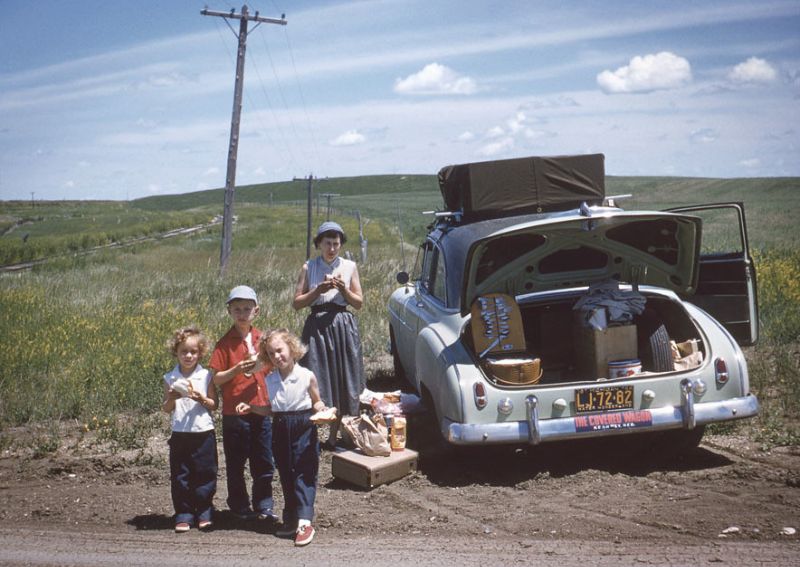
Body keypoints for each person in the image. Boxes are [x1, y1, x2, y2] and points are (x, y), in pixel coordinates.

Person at [236, 328, 330, 547]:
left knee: (304, 471)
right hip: (280, 426)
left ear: (292, 348)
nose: (277, 356)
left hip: (304, 424)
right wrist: (251, 408)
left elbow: (316, 400)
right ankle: (291, 519)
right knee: (286, 473)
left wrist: (322, 409)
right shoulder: (270, 379)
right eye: (270, 354)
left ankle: (305, 521)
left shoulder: (306, 375)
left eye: (280, 350)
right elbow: (271, 409)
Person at [292, 221, 365, 448]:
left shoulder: (350, 266)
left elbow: (359, 303)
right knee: (317, 374)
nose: (332, 248)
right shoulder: (309, 267)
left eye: (336, 243)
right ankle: (312, 432)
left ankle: (336, 435)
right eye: (327, 243)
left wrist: (343, 289)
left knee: (343, 375)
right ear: (319, 244)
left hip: (342, 324)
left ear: (341, 244)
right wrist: (318, 291)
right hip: (317, 325)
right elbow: (296, 303)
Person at [209, 285, 277, 522]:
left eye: (247, 309)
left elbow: (278, 365)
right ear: (229, 311)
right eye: (237, 309)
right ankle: (238, 505)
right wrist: (236, 369)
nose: (242, 313)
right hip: (234, 412)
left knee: (264, 460)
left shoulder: (264, 340)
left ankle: (264, 504)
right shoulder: (224, 343)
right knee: (236, 462)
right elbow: (216, 378)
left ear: (256, 311)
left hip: (260, 408)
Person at [161, 326, 218, 533]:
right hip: (180, 433)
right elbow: (166, 409)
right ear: (175, 352)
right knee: (180, 475)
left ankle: (204, 511)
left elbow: (214, 405)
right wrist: (172, 398)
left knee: (205, 473)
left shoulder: (206, 376)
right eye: (184, 351)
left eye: (193, 352)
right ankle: (184, 513)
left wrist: (202, 399)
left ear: (200, 353)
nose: (188, 356)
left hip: (203, 431)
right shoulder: (170, 378)